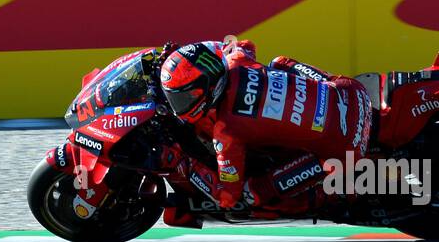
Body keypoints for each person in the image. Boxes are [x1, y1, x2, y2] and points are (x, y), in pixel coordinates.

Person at [157, 39, 373, 227]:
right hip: (351, 91)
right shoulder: (237, 60)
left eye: (183, 97)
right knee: (279, 63)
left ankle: (329, 197)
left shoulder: (226, 131)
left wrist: (181, 162)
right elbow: (245, 45)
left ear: (210, 88)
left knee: (251, 194)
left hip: (345, 146)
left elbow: (228, 197)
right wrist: (180, 58)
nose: (177, 104)